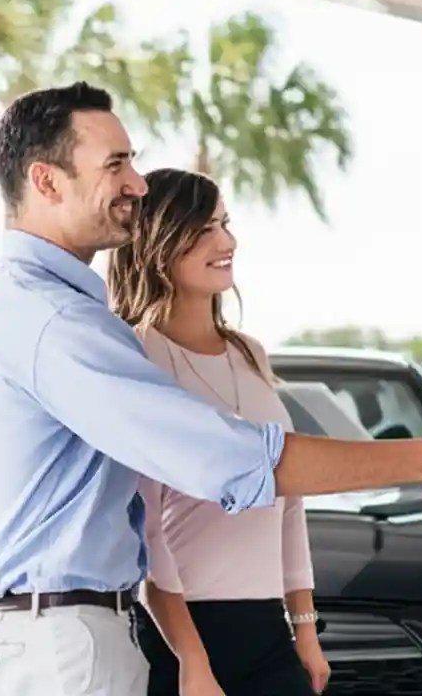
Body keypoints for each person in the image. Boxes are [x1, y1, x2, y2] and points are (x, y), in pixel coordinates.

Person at [0, 82, 422, 696]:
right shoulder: (52, 320)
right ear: (47, 181)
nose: (138, 184)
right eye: (116, 164)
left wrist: (300, 623)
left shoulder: (34, 306)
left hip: (74, 632)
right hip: (62, 645)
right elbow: (224, 458)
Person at [101, 167, 325, 695]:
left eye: (224, 223)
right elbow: (147, 529)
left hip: (268, 631)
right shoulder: (140, 355)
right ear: (159, 241)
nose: (226, 241)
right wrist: (192, 660)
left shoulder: (249, 352)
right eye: (203, 230)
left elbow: (288, 504)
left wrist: (305, 630)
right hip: (181, 631)